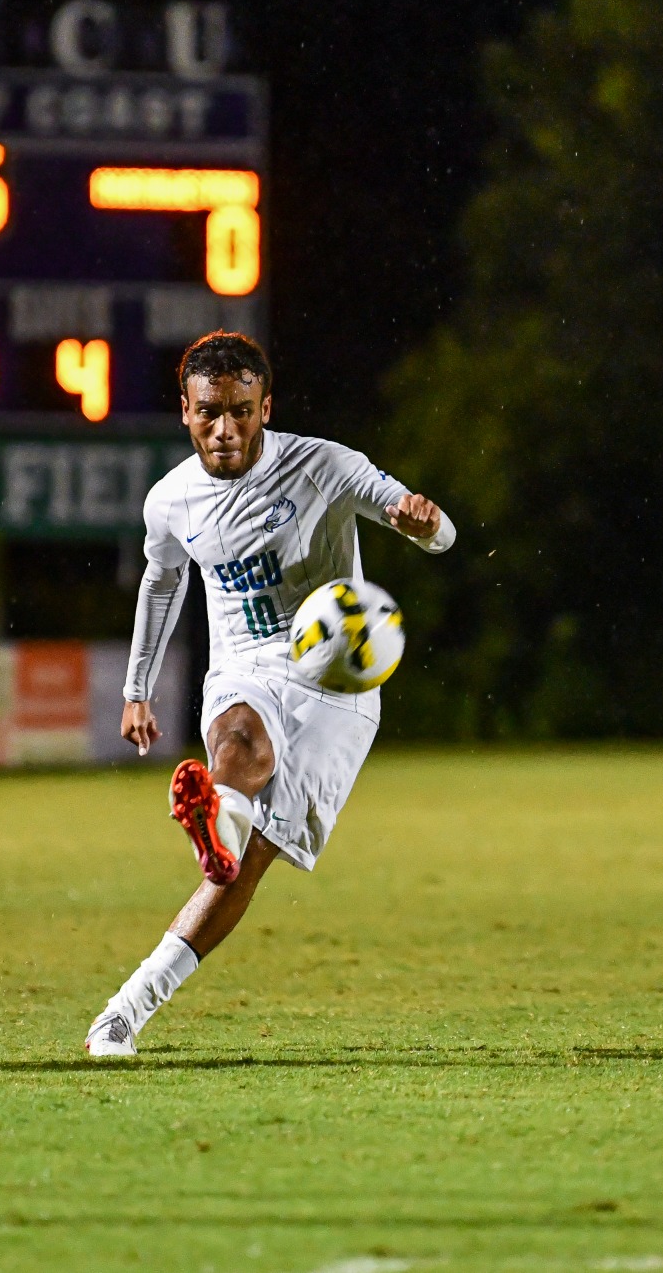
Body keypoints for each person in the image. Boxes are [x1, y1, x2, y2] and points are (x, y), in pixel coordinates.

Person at [84, 331, 456, 1057]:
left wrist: (426, 524)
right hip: (245, 664)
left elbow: (436, 531)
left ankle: (131, 1000)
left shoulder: (322, 464)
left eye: (242, 412)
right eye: (209, 413)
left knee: (249, 862)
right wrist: (137, 688)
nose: (226, 429)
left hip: (338, 678)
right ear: (184, 411)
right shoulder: (171, 501)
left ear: (266, 407)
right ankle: (213, 830)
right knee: (238, 740)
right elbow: (163, 583)